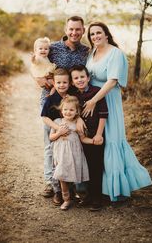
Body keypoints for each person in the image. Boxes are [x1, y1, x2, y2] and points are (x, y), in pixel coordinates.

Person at [83, 22, 152, 202]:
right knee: (96, 142)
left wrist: (93, 101)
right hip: (92, 102)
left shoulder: (116, 54)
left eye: (99, 33)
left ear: (107, 34)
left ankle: (115, 188)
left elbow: (112, 81)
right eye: (92, 34)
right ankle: (98, 187)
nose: (95, 36)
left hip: (107, 101)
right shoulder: (92, 53)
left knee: (111, 140)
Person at [37, 16, 89, 197]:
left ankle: (73, 182)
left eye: (78, 29)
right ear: (66, 29)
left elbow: (86, 76)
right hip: (51, 101)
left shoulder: (85, 51)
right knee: (51, 144)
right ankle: (51, 184)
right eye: (71, 29)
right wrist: (44, 82)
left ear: (83, 30)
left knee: (72, 144)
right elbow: (37, 67)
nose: (74, 32)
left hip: (73, 105)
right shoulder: (53, 49)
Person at [70, 65, 108, 211]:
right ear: (72, 82)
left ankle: (97, 198)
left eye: (82, 77)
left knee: (95, 166)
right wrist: (78, 118)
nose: (80, 80)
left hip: (95, 135)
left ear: (88, 78)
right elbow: (71, 111)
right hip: (81, 137)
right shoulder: (73, 95)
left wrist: (99, 134)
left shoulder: (96, 92)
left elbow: (103, 114)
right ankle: (87, 196)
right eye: (76, 78)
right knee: (83, 166)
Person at [49, 95, 92, 210]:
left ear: (77, 111)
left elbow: (83, 139)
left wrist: (94, 141)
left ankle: (82, 195)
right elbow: (51, 137)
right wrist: (59, 132)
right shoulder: (57, 122)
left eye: (71, 110)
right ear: (61, 110)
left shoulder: (78, 124)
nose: (68, 112)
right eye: (65, 109)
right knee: (62, 177)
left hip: (75, 155)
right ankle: (66, 199)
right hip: (61, 155)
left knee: (75, 175)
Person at [41, 68, 72, 205]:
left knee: (67, 158)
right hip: (55, 131)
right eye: (58, 82)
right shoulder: (51, 99)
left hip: (69, 134)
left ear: (69, 83)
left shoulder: (72, 97)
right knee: (55, 159)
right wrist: (57, 128)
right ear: (54, 83)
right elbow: (44, 117)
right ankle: (57, 190)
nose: (62, 85)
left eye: (65, 82)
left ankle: (71, 189)